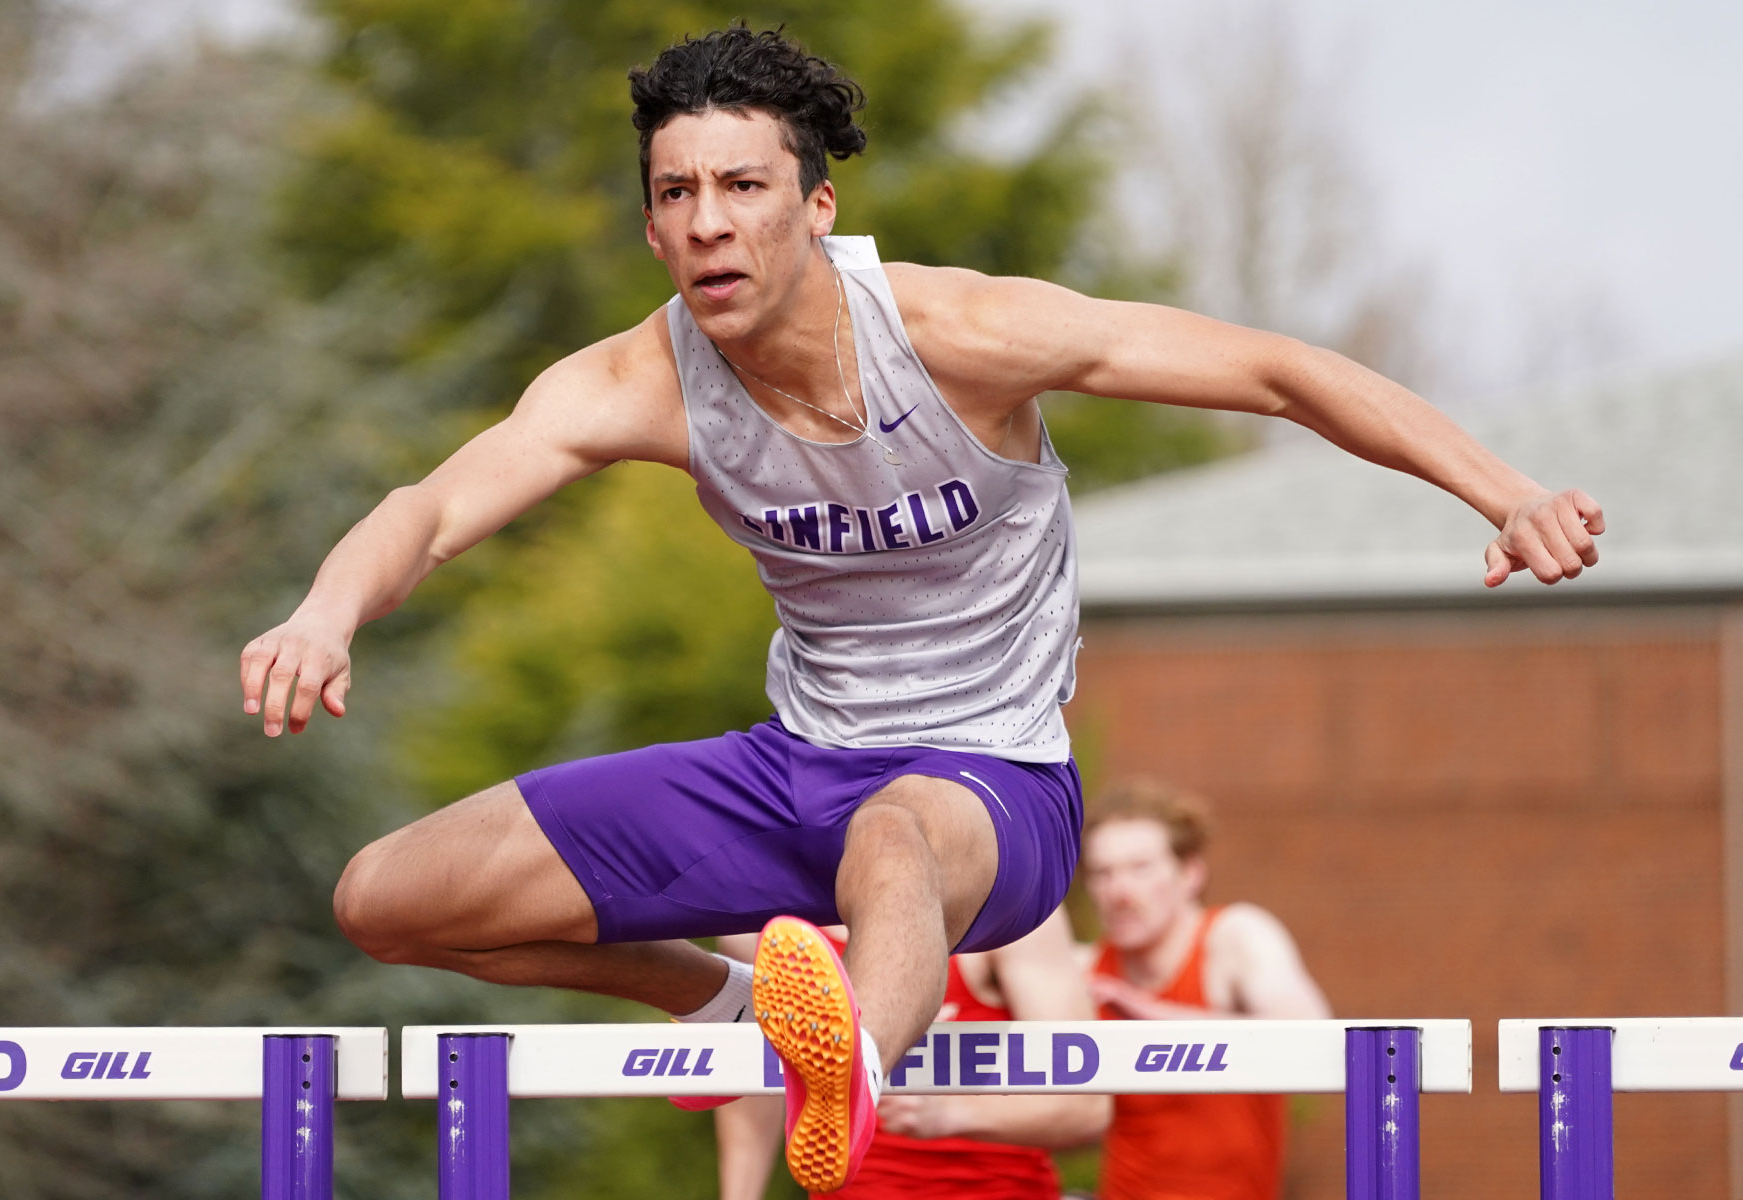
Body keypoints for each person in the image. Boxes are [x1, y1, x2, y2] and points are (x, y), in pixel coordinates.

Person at [235, 25, 1603, 1195]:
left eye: (743, 186)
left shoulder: (960, 335)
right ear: (651, 226)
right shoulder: (633, 385)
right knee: (391, 896)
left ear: (813, 206)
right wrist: (327, 610)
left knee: (891, 837)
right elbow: (434, 502)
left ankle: (851, 1089)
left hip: (990, 788)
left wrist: (1506, 493)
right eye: (677, 194)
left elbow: (1277, 372)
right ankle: (730, 1003)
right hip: (789, 768)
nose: (709, 220)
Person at [714, 913, 1109, 1200]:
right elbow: (752, 1090)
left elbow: (1089, 1106)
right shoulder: (770, 928)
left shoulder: (1010, 917)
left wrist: (952, 1116)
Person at [1080, 779, 1330, 1200]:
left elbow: (1314, 1035)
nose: (1119, 892)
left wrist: (1148, 1012)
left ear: (1191, 873)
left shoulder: (1234, 937)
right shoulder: (1087, 969)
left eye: (1140, 868)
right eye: (1103, 873)